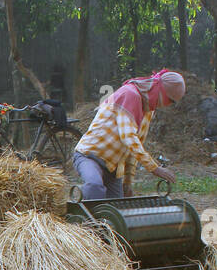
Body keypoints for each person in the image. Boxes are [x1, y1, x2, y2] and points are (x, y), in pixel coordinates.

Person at [72, 69, 183, 201]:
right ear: (161, 91)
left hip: (113, 169)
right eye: (170, 100)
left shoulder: (148, 111)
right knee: (95, 187)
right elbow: (128, 138)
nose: (168, 105)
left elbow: (135, 147)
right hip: (89, 156)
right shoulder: (129, 94)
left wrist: (128, 182)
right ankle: (83, 220)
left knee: (119, 209)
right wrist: (154, 168)